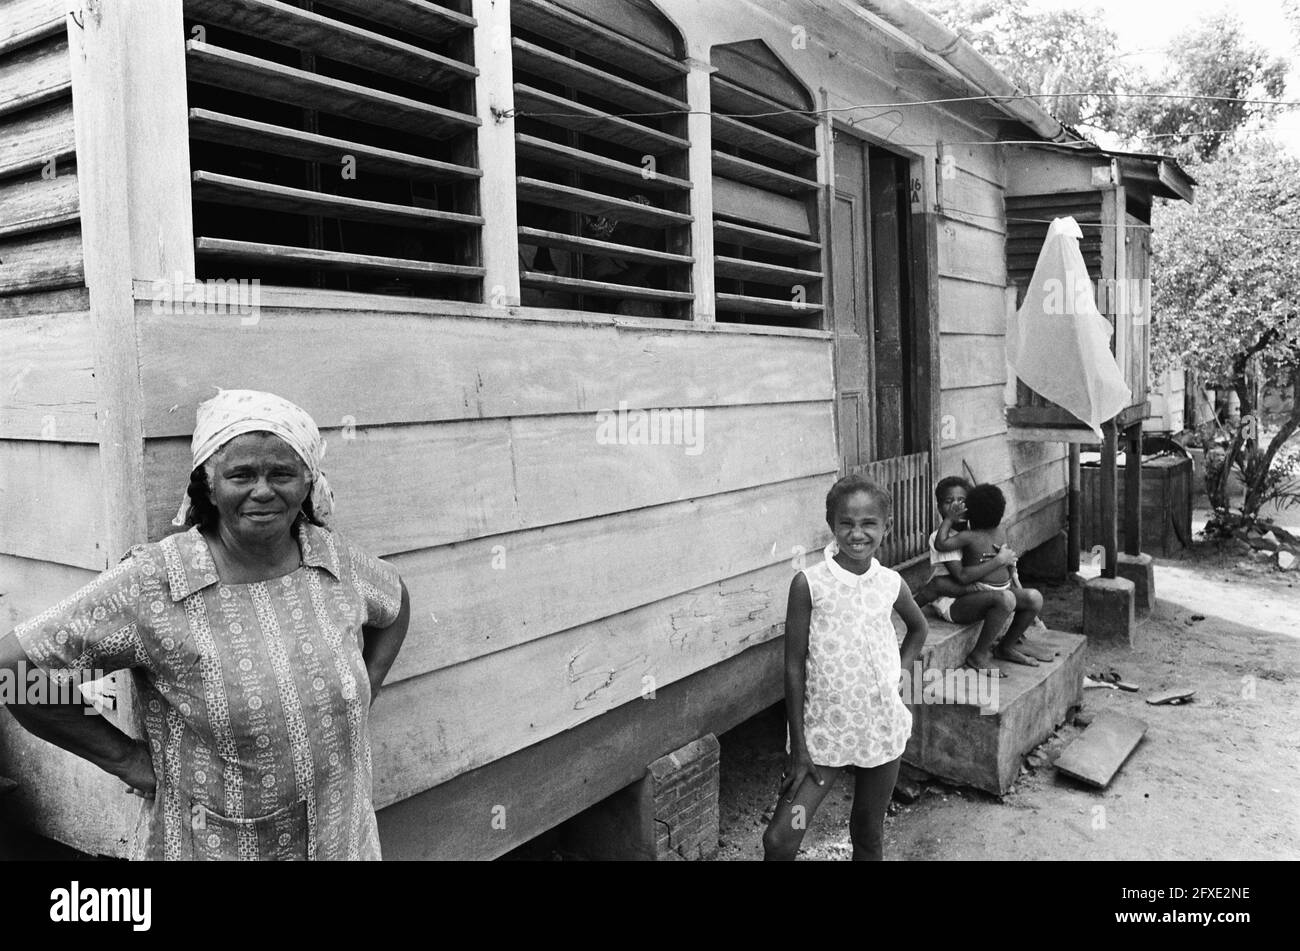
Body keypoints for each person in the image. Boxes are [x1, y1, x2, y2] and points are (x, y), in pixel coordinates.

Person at [0, 389, 411, 860]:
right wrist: (125, 759)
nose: (263, 490)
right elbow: (11, 669)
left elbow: (396, 604)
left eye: (282, 473)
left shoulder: (332, 558)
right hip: (221, 845)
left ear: (307, 482)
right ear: (209, 486)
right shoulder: (156, 582)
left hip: (343, 835)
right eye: (241, 474)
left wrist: (368, 688)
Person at [762, 475, 928, 861]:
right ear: (832, 526)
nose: (857, 533)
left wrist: (898, 678)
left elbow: (918, 629)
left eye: (869, 523)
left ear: (886, 527)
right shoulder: (809, 584)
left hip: (880, 728)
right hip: (823, 736)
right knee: (781, 838)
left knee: (868, 834)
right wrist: (799, 748)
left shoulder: (889, 583)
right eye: (846, 524)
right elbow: (792, 668)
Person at [933, 483, 1046, 673]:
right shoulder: (966, 536)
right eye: (951, 503)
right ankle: (978, 655)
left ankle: (1005, 647)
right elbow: (943, 547)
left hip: (986, 595)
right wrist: (949, 521)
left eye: (962, 502)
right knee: (1006, 599)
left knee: (1034, 598)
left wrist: (1010, 569)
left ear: (970, 512)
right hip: (955, 602)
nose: (957, 507)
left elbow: (1009, 562)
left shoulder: (999, 531)